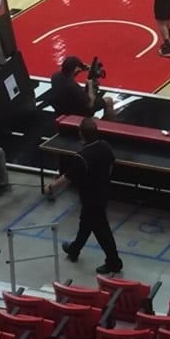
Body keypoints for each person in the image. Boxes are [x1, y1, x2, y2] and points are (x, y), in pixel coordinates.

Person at [61, 116, 123, 274]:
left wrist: (50, 188)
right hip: (102, 192)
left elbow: (67, 178)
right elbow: (110, 166)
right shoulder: (105, 146)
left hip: (90, 197)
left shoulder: (82, 156)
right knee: (86, 223)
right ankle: (74, 250)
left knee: (101, 230)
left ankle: (114, 261)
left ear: (81, 134)